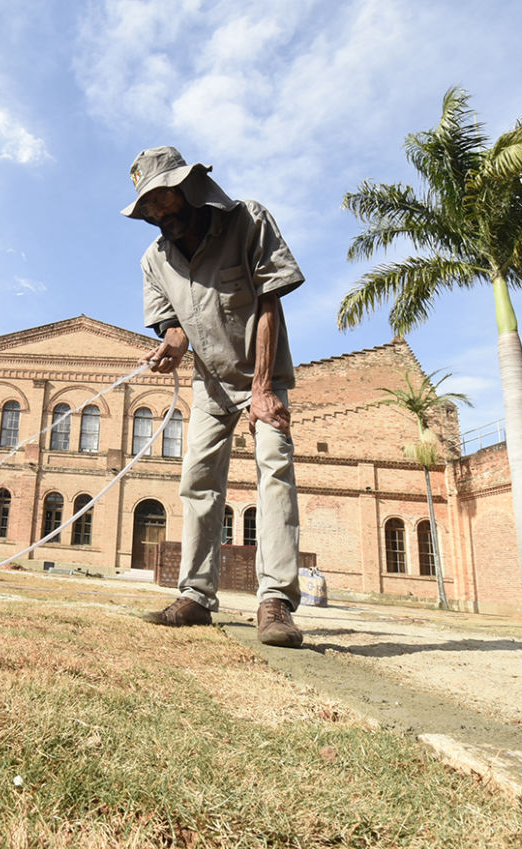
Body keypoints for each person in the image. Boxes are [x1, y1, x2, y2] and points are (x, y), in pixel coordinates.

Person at [123, 146, 304, 648]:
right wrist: (171, 345)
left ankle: (276, 601)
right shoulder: (154, 260)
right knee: (197, 479)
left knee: (274, 469)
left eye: (164, 200)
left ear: (190, 187)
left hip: (261, 375)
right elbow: (175, 327)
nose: (158, 215)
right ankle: (197, 596)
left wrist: (265, 389)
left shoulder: (248, 221)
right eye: (149, 209)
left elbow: (269, 303)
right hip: (209, 385)